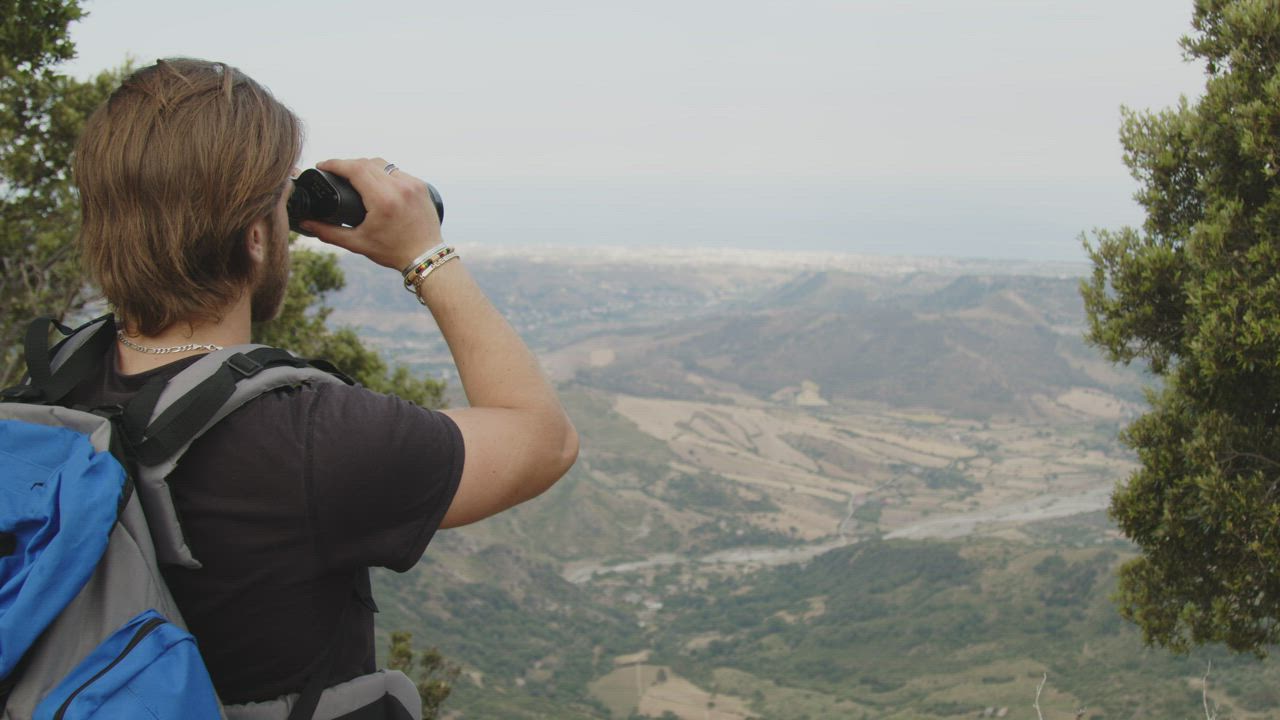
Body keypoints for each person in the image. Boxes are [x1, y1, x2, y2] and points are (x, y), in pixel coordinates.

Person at [62, 58, 579, 706]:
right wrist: (427, 253)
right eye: (284, 203)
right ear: (255, 237)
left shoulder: (53, 395)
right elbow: (544, 437)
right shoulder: (308, 440)